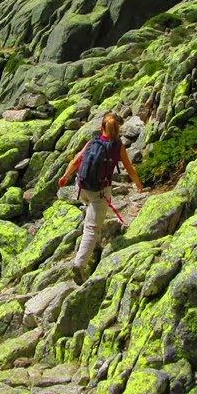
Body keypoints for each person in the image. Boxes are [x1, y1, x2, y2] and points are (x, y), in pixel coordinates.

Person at [58, 112, 144, 282]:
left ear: (101, 128)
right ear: (118, 129)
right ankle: (79, 264)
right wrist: (138, 184)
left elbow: (77, 160)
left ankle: (95, 243)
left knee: (91, 208)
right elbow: (129, 168)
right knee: (91, 228)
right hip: (99, 191)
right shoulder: (118, 147)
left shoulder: (93, 141)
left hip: (81, 187)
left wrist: (66, 176)